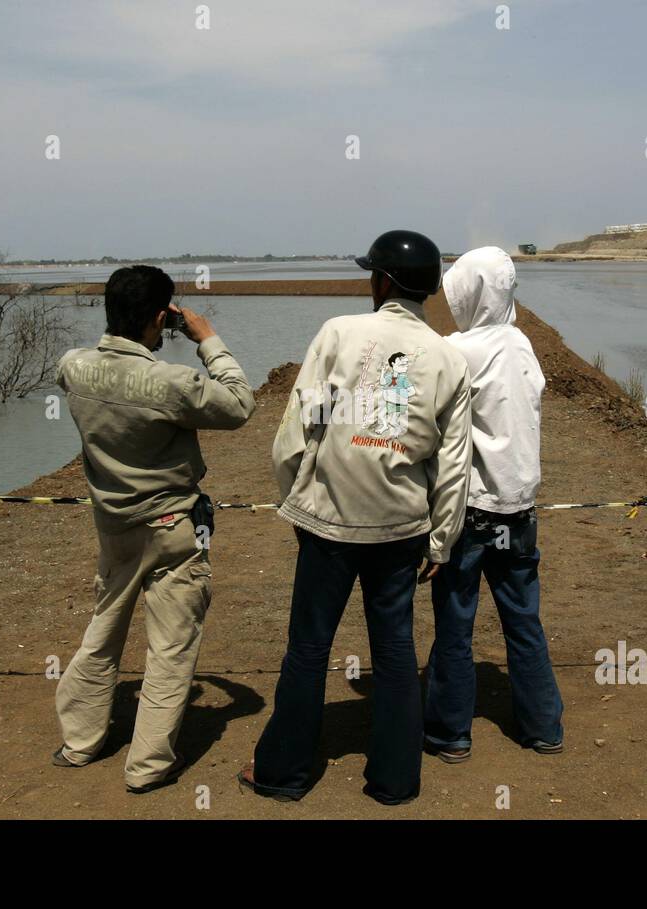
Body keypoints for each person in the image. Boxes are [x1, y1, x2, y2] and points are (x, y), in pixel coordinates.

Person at [239, 229, 472, 805]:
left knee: (309, 648)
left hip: (328, 522)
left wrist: (293, 495)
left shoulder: (339, 334)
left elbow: (301, 425)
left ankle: (282, 774)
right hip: (401, 527)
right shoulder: (448, 358)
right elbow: (453, 461)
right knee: (395, 652)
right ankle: (395, 782)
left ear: (382, 282)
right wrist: (442, 543)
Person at [52, 265, 255, 793]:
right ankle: (146, 767)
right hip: (172, 529)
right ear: (161, 318)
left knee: (103, 629)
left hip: (113, 526)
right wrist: (208, 340)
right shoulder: (171, 382)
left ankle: (80, 742)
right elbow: (239, 405)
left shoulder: (73, 366)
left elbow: (84, 374)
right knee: (170, 649)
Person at [424, 246, 563, 762]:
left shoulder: (457, 350)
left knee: (455, 625)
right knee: (523, 620)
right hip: (519, 511)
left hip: (469, 512)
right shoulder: (521, 344)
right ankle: (543, 727)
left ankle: (449, 733)